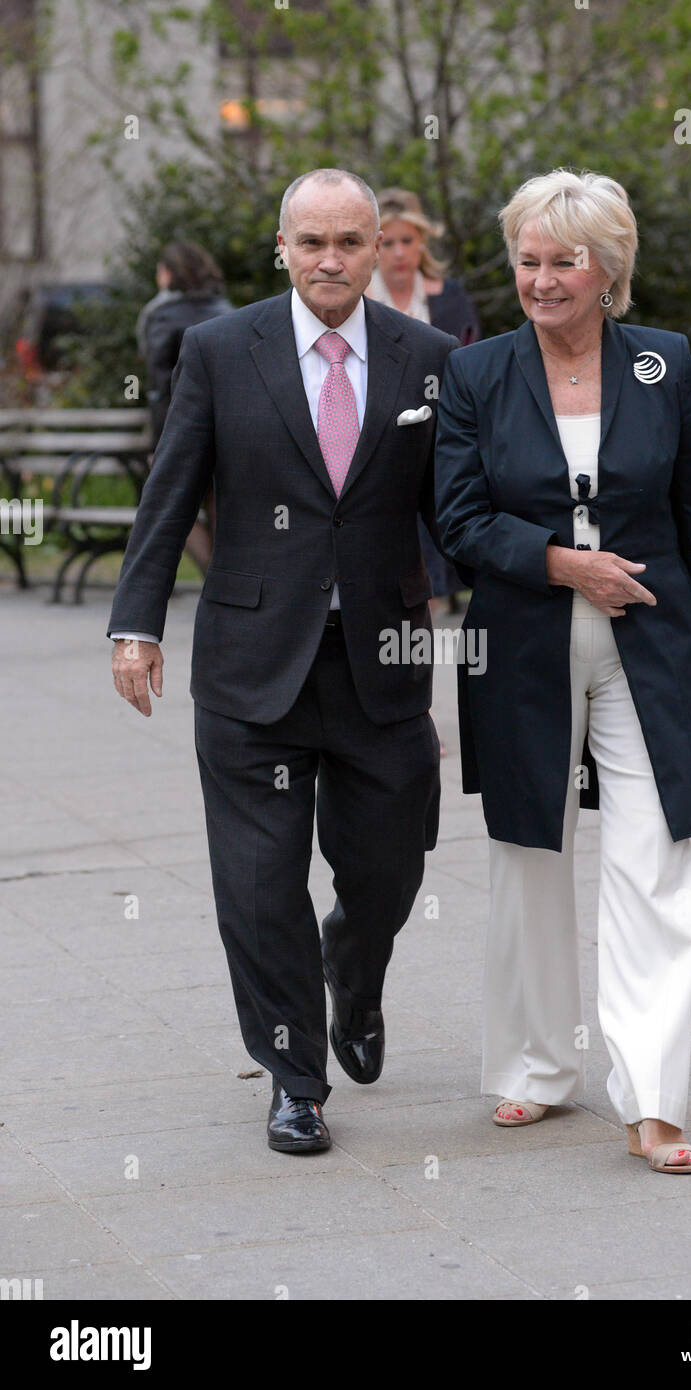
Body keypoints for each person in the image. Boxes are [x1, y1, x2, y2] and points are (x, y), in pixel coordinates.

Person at [109, 169, 458, 1155]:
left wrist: (528, 600)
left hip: (379, 667)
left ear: (379, 240)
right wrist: (136, 622)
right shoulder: (219, 349)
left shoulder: (427, 357)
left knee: (388, 868)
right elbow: (170, 492)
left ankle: (352, 960)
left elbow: (454, 512)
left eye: (350, 240)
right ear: (282, 248)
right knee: (258, 886)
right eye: (312, 243)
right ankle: (293, 1077)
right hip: (250, 663)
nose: (332, 260)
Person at [435, 168, 691, 1174]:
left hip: (650, 645)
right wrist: (561, 562)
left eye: (561, 261)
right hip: (524, 642)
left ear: (605, 269)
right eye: (526, 260)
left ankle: (651, 1100)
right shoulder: (478, 372)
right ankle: (533, 1066)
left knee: (653, 854)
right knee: (528, 852)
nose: (540, 279)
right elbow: (455, 519)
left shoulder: (662, 363)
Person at [367, 188, 480, 612]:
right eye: (389, 242)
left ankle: (440, 585)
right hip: (375, 422)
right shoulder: (356, 297)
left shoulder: (447, 295)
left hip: (440, 418)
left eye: (408, 241)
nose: (399, 252)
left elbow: (470, 359)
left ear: (422, 243)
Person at [139, 242, 233, 574]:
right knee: (220, 508)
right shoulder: (225, 309)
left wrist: (157, 444)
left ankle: (216, 580)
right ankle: (228, 584)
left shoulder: (158, 314)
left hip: (177, 429)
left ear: (166, 274)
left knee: (173, 509)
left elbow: (158, 385)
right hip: (226, 428)